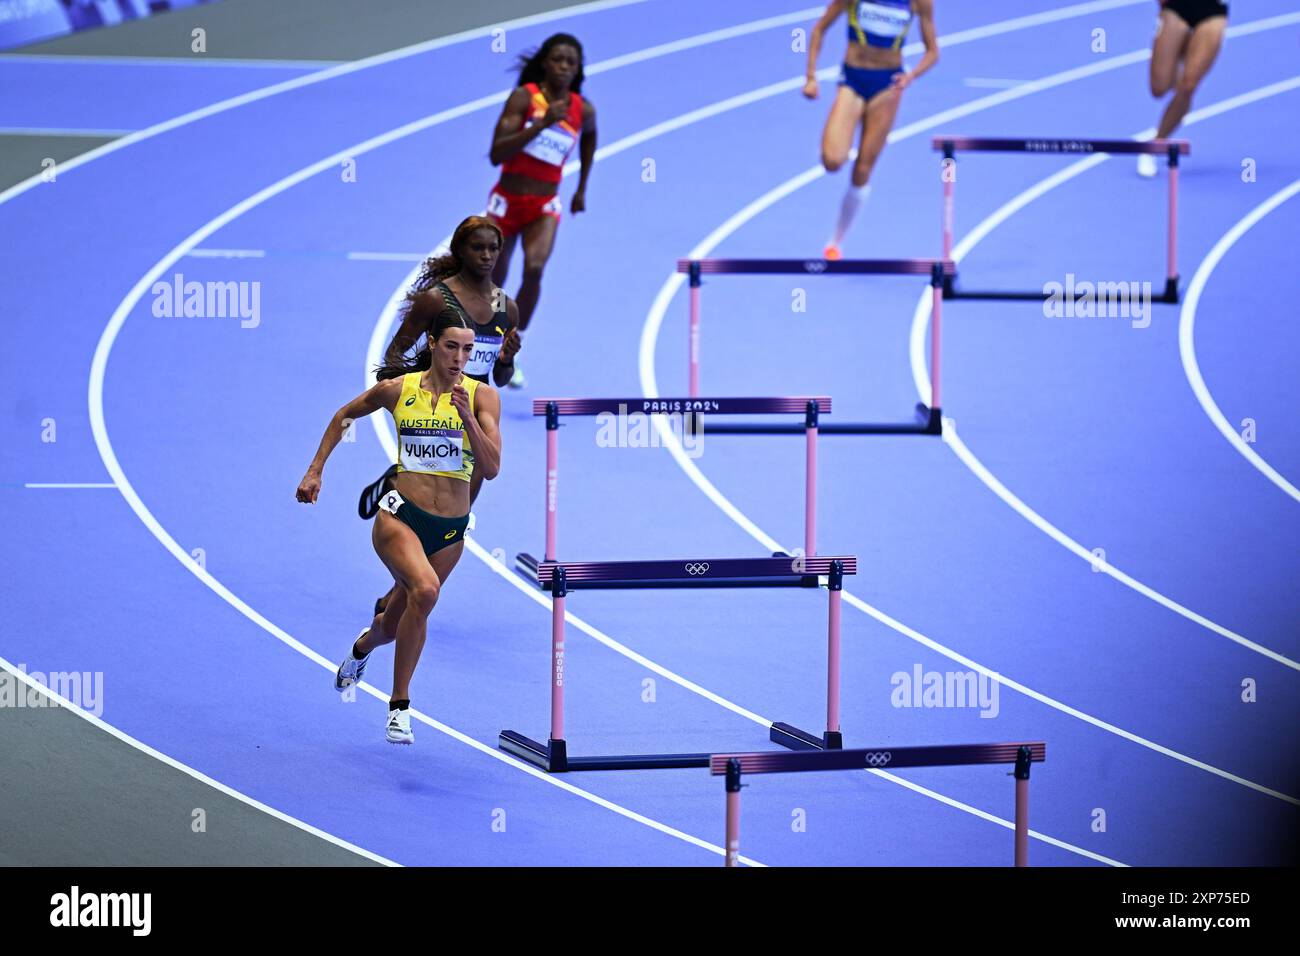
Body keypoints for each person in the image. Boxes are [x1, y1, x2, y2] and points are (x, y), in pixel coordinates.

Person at [297, 312, 502, 745]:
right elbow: (343, 416)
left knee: (393, 625)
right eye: (451, 346)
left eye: (467, 350)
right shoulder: (399, 390)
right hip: (399, 517)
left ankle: (360, 649)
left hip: (449, 532)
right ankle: (399, 708)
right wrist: (316, 471)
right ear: (432, 343)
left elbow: (492, 468)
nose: (459, 358)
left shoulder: (482, 398)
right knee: (425, 591)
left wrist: (466, 418)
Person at [362, 215, 518, 617]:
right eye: (477, 248)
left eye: (493, 249)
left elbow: (500, 377)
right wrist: (416, 393)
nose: (486, 256)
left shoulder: (505, 306)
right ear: (459, 252)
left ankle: (402, 597)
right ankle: (409, 595)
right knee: (431, 518)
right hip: (432, 419)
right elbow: (395, 353)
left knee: (453, 521)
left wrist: (507, 360)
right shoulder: (436, 299)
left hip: (473, 423)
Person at [486, 32, 597, 385]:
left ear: (578, 69)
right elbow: (496, 154)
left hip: (544, 204)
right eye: (558, 60)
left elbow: (590, 139)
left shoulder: (583, 109)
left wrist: (581, 188)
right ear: (545, 63)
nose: (564, 67)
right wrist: (543, 123)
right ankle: (486, 335)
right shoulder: (523, 99)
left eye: (571, 62)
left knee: (534, 269)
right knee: (494, 280)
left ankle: (511, 346)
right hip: (506, 201)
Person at [803, 1, 938, 259]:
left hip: (887, 86)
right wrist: (811, 77)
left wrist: (911, 76)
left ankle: (835, 242)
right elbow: (820, 29)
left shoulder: (920, 2)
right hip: (852, 79)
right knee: (832, 161)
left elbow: (933, 52)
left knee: (863, 168)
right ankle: (843, 133)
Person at [1139, 0, 1227, 177]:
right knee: (1159, 88)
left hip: (1212, 11)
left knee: (1188, 86)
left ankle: (1155, 144)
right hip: (1176, 6)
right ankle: (1183, 51)